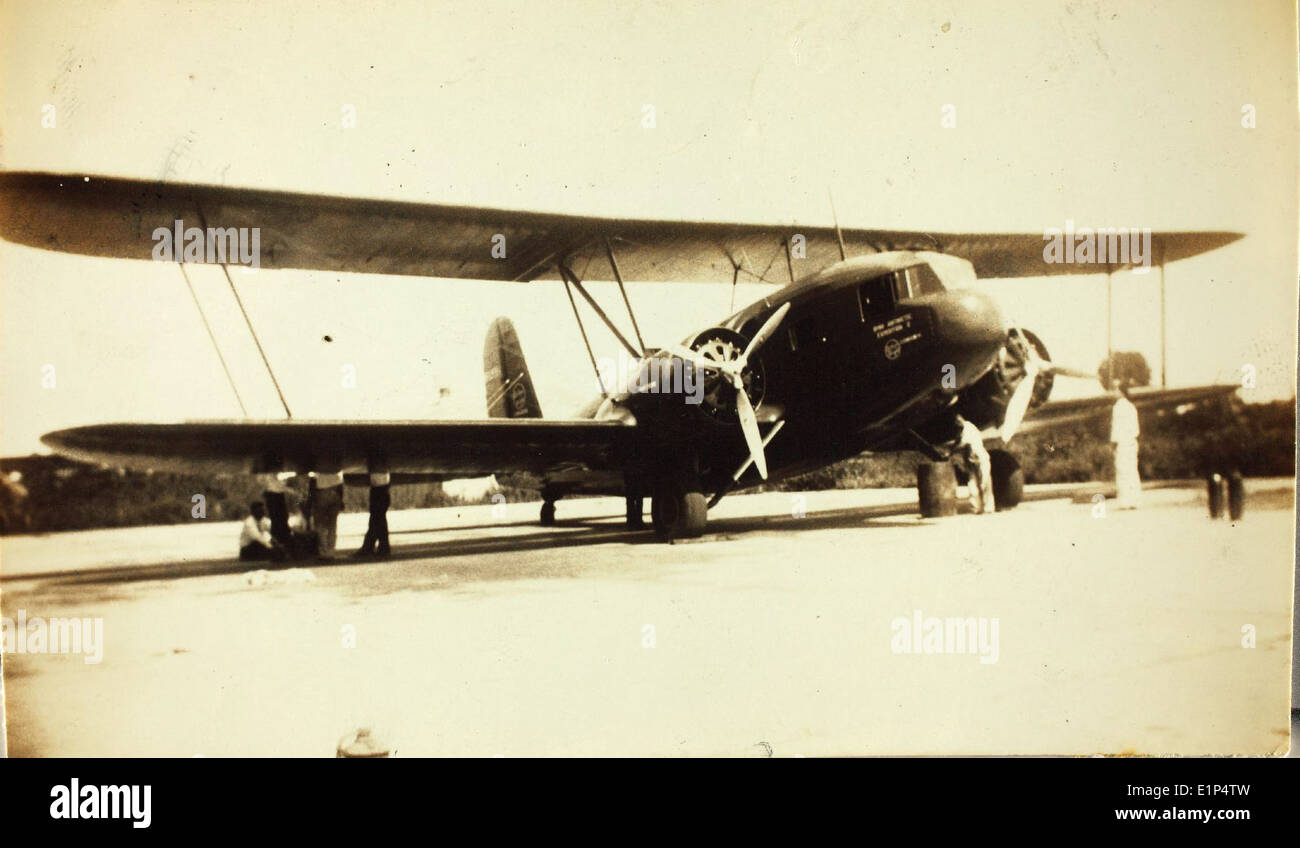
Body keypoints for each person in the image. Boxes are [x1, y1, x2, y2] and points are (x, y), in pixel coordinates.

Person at [952, 415, 995, 514]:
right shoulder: (961, 430)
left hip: (980, 458)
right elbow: (958, 442)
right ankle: (977, 507)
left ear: (960, 420)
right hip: (970, 460)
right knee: (972, 483)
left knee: (984, 482)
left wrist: (951, 451)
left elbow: (962, 443)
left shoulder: (968, 428)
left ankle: (988, 507)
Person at [1110, 384, 1141, 509]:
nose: (1115, 392)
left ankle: (1125, 501)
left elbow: (1116, 427)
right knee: (1132, 471)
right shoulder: (1131, 407)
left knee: (1122, 472)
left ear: (1121, 392)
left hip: (1122, 442)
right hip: (1132, 441)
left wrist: (1113, 443)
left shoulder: (1118, 407)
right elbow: (1136, 429)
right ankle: (1134, 501)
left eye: (1116, 390)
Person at [354, 473, 392, 558]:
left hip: (379, 489)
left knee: (377, 519)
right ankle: (379, 546)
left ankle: (373, 547)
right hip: (381, 487)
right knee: (378, 519)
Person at [311, 472, 345, 560]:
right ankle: (331, 551)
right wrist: (341, 500)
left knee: (320, 524)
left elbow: (312, 482)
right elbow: (340, 485)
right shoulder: (337, 468)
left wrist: (311, 500)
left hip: (321, 493)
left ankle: (324, 551)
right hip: (335, 493)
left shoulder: (317, 468)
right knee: (332, 524)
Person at [259, 473, 293, 548]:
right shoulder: (269, 474)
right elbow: (275, 485)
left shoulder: (275, 473)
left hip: (277, 494)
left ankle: (282, 539)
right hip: (273, 495)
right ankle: (279, 541)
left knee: (282, 517)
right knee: (277, 518)